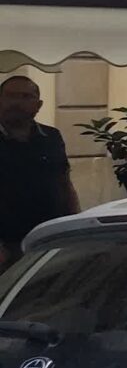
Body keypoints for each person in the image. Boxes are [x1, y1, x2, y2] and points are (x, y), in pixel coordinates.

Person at [0, 76, 79, 269]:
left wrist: (76, 225)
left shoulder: (51, 137)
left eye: (26, 96)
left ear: (39, 104)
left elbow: (64, 182)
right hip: (6, 246)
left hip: (49, 240)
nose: (17, 103)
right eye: (10, 96)